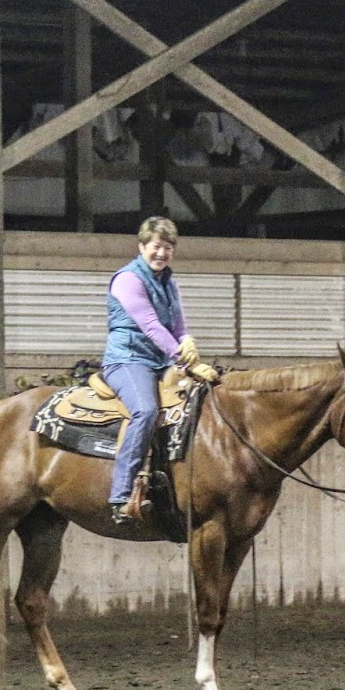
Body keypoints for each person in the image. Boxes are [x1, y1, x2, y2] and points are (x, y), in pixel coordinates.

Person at [101, 216, 220, 525]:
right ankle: (121, 494)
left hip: (162, 361)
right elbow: (151, 327)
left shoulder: (169, 282)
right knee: (145, 410)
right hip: (127, 360)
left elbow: (176, 325)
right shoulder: (127, 279)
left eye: (168, 248)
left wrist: (187, 340)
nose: (162, 253)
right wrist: (187, 361)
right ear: (142, 247)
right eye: (156, 246)